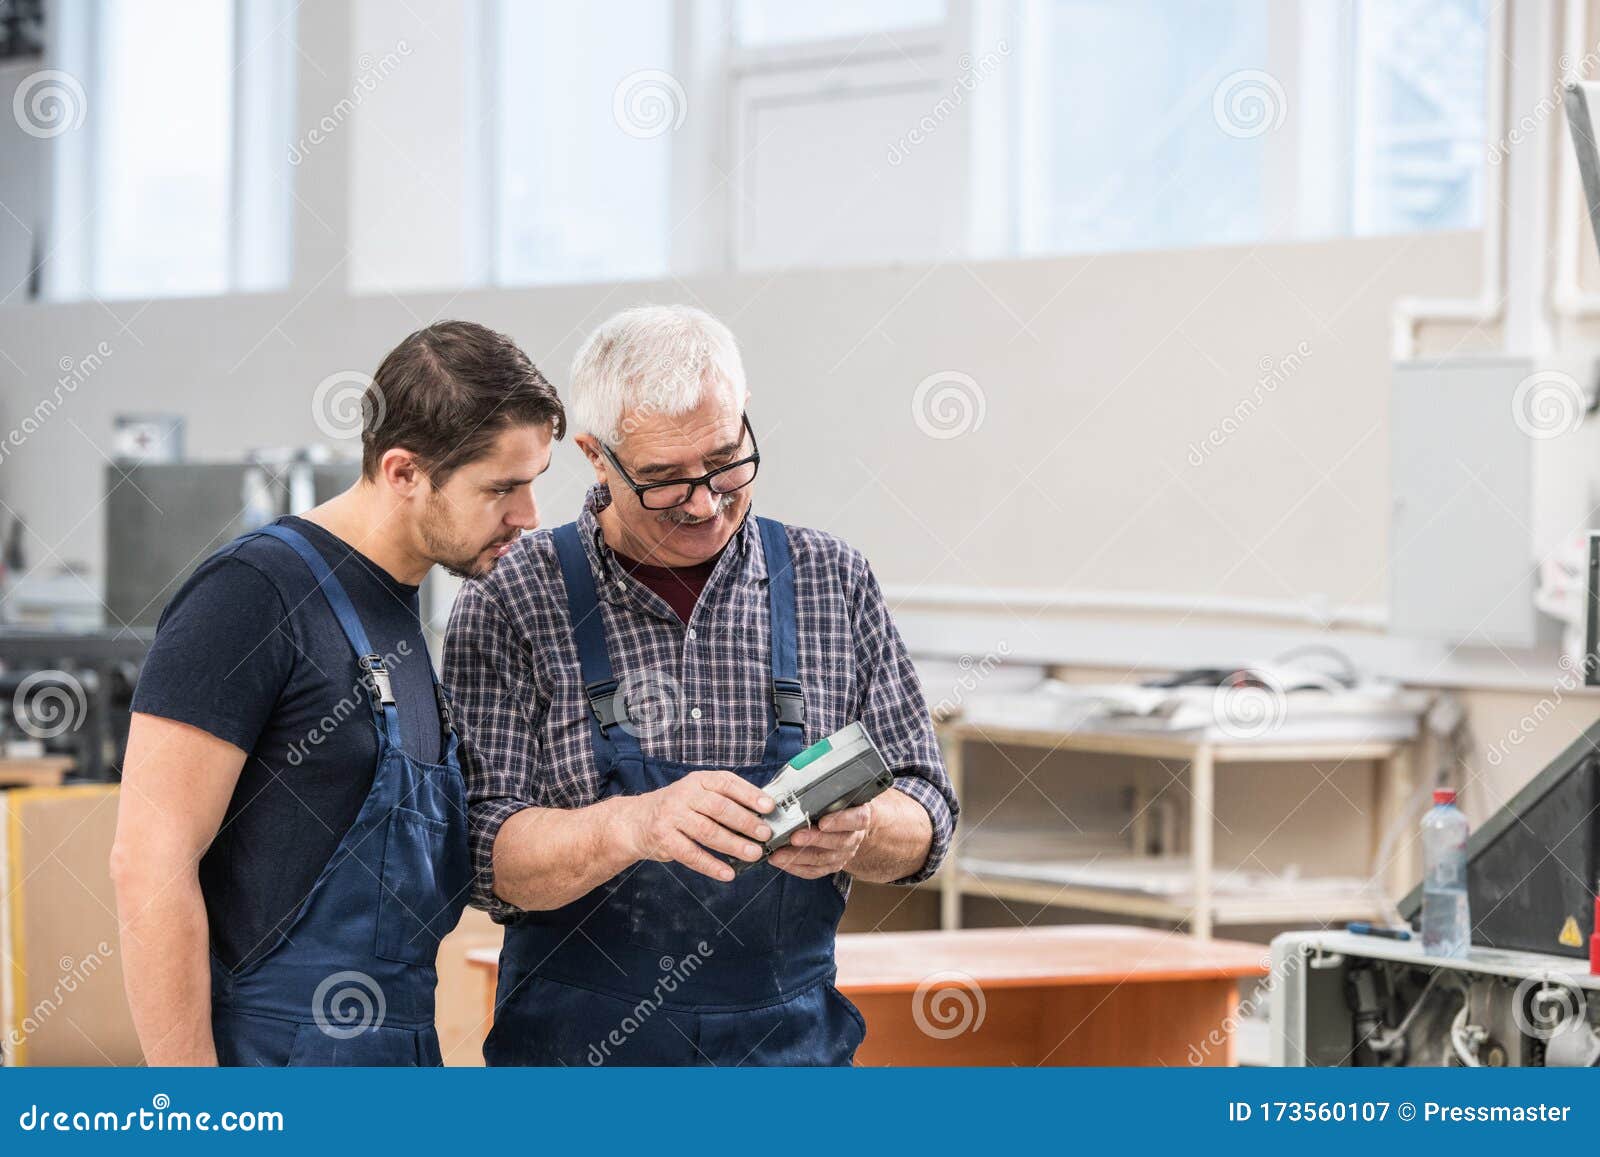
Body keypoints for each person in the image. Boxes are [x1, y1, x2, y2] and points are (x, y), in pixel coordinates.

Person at [445, 304, 958, 1066]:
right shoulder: (510, 598)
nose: (705, 501)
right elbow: (480, 858)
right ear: (595, 456)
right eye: (663, 480)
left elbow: (929, 813)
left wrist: (863, 830)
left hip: (789, 1061)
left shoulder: (831, 580)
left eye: (725, 462)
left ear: (745, 421)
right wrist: (631, 826)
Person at [112, 321, 564, 1065]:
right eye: (502, 488)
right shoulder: (252, 595)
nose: (528, 515)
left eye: (533, 482)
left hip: (401, 1051)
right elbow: (147, 864)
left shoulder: (400, 609)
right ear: (403, 471)